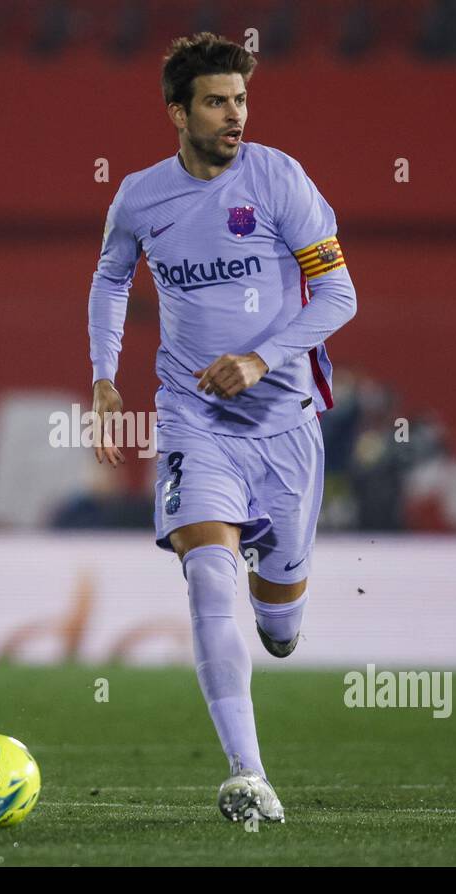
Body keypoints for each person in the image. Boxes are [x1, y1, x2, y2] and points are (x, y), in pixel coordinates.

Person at [87, 34, 357, 822]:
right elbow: (109, 278)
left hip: (286, 427)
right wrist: (105, 379)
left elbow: (339, 295)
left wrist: (262, 358)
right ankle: (249, 774)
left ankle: (280, 615)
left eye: (240, 99)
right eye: (215, 100)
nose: (234, 114)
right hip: (192, 418)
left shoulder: (280, 179)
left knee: (278, 627)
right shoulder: (140, 196)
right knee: (207, 574)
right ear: (178, 112)